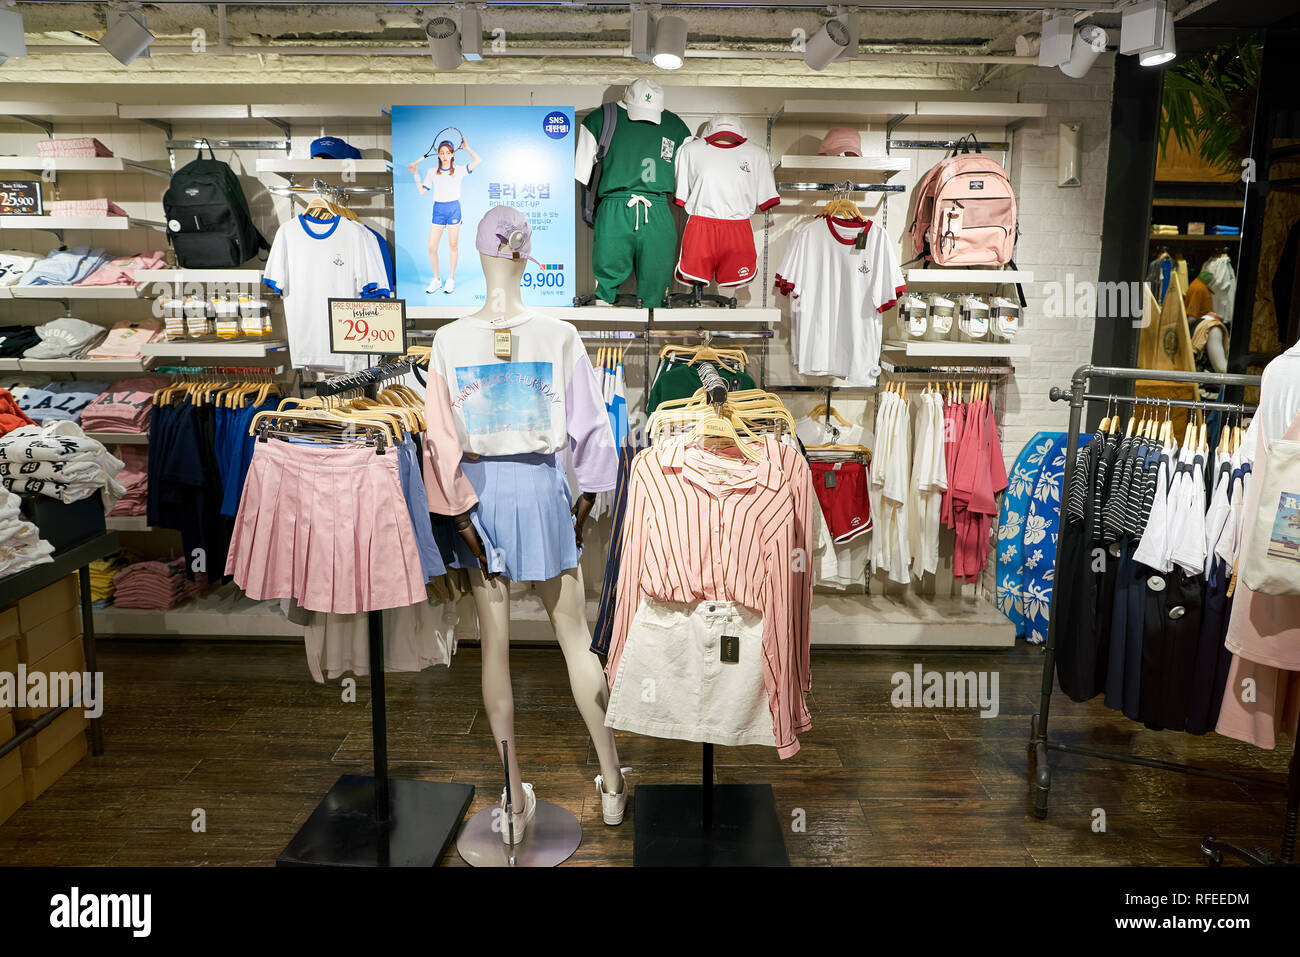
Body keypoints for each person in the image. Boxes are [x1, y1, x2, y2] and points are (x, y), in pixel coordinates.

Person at [407, 135, 482, 294]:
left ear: (453, 154)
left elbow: (478, 161)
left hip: (454, 209)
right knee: (431, 247)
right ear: (438, 155)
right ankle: (436, 279)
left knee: (453, 245)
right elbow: (422, 191)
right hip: (438, 210)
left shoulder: (460, 170)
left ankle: (451, 279)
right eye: (442, 153)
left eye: (448, 152)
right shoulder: (432, 171)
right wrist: (415, 174)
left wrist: (467, 148)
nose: (445, 155)